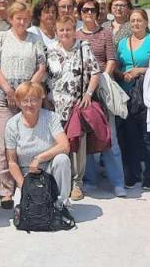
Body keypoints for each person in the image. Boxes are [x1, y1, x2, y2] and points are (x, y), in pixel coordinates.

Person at [0, 0, 47, 207]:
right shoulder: (1, 37)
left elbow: (41, 67)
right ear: (11, 19)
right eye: (18, 18)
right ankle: (6, 190)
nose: (22, 22)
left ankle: (29, 184)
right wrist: (9, 90)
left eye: (25, 19)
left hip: (28, 101)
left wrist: (26, 91)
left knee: (29, 143)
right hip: (3, 99)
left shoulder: (35, 39)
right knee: (5, 145)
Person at [45, 14, 101, 200]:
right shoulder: (50, 50)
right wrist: (45, 100)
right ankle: (60, 182)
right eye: (61, 30)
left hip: (76, 106)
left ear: (74, 30)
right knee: (57, 145)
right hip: (54, 107)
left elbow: (95, 73)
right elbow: (45, 77)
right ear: (56, 31)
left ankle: (77, 183)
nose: (65, 33)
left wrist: (88, 94)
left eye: (68, 29)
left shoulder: (83, 48)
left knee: (77, 146)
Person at [76, 0, 126, 196]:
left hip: (102, 90)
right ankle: (90, 179)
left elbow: (111, 59)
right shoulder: (76, 35)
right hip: (82, 91)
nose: (89, 13)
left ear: (97, 13)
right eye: (85, 10)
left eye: (92, 10)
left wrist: (103, 77)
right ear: (80, 13)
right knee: (86, 137)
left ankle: (118, 182)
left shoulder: (105, 33)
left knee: (109, 136)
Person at [4, 82, 73, 213]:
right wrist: (24, 186)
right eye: (25, 101)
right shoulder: (12, 124)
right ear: (18, 103)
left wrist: (39, 158)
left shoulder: (51, 117)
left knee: (62, 159)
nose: (30, 104)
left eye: (34, 100)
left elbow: (65, 146)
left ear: (41, 100)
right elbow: (12, 162)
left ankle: (61, 203)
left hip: (49, 170)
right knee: (25, 211)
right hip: (27, 176)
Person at [117, 7, 150, 189]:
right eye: (133, 21)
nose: (136, 24)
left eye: (139, 20)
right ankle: (134, 174)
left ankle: (149, 175)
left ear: (146, 22)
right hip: (127, 95)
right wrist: (122, 74)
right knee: (130, 137)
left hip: (147, 95)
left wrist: (140, 70)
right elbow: (117, 66)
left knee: (149, 137)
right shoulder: (122, 43)